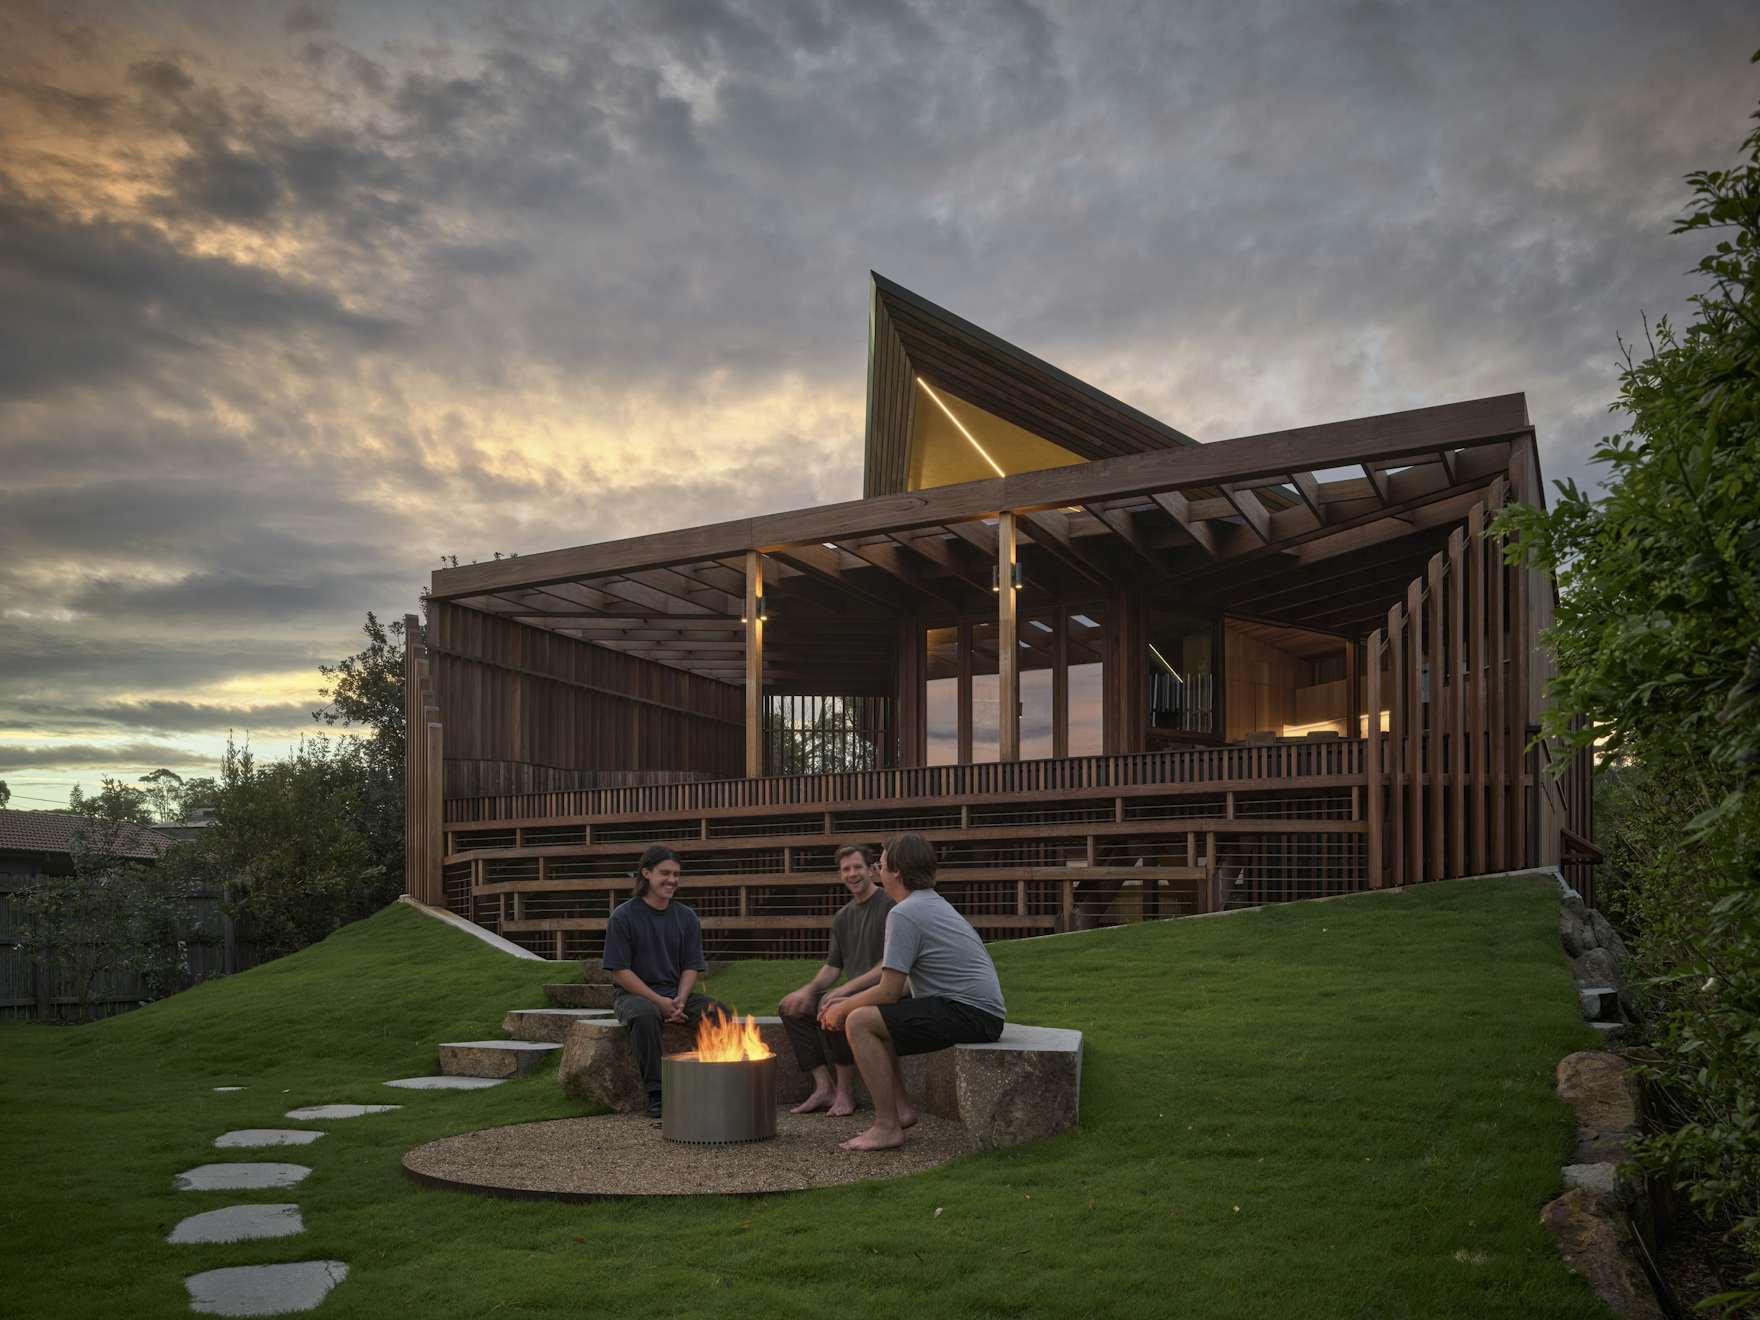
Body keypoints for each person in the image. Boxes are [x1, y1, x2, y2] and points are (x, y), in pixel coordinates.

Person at [819, 832, 1005, 1152]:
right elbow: (902, 984)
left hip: (970, 1013)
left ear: (897, 873)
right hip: (978, 1012)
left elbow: (890, 992)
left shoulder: (905, 913)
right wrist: (846, 998)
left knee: (861, 1022)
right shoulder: (927, 904)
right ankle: (901, 1110)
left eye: (881, 865)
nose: (878, 871)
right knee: (876, 1018)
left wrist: (843, 1009)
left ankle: (887, 1127)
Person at [602, 844, 728, 1118]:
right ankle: (658, 1093)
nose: (672, 880)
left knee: (719, 1012)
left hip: (675, 994)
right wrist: (659, 1002)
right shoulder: (623, 917)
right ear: (646, 873)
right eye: (665, 873)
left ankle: (714, 1082)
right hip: (632, 996)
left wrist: (680, 999)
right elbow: (620, 971)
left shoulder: (686, 917)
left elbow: (692, 965)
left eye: (676, 874)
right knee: (645, 1015)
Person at [776, 844, 895, 1116]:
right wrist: (809, 989)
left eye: (857, 867)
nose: (852, 874)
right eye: (846, 869)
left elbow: (888, 964)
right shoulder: (843, 916)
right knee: (791, 1008)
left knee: (835, 1005)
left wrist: (844, 990)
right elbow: (833, 965)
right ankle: (823, 1087)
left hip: (882, 993)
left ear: (871, 870)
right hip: (852, 991)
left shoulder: (890, 906)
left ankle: (844, 1093)